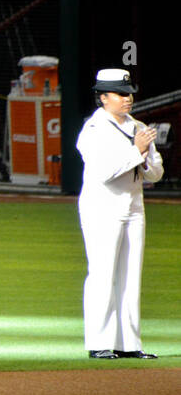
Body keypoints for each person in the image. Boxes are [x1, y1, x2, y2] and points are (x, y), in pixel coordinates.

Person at [75, 69, 163, 360]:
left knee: (131, 273)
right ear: (103, 98)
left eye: (129, 93)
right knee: (103, 273)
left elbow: (156, 172)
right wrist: (136, 151)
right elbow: (103, 173)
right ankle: (99, 342)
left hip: (134, 204)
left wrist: (146, 152)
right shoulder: (93, 130)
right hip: (103, 206)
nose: (128, 99)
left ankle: (129, 343)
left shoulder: (137, 125)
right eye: (120, 94)